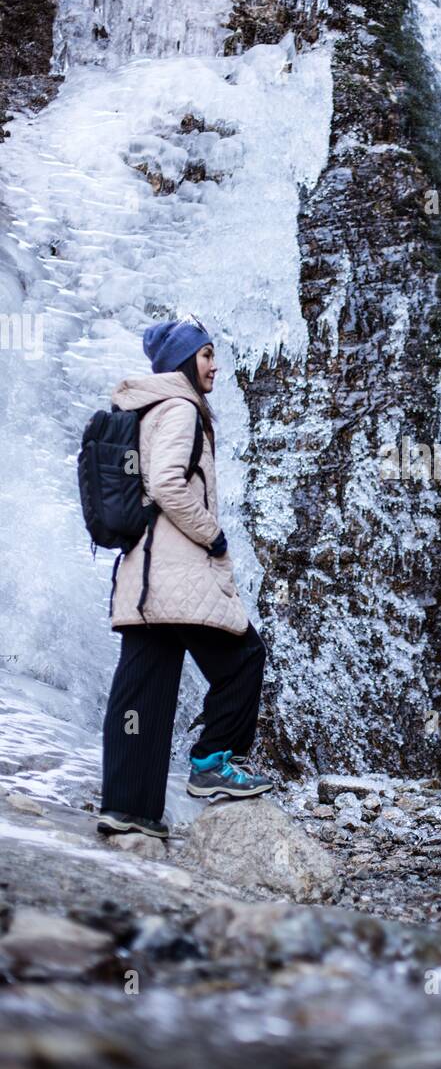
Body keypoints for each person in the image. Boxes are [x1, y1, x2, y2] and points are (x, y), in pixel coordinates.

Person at [98, 316, 272, 840]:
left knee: (141, 696)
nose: (214, 365)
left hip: (142, 577)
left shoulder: (144, 409)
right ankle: (213, 763)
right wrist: (212, 535)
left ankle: (128, 811)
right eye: (205, 356)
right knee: (244, 656)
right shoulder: (179, 408)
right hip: (176, 575)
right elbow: (168, 484)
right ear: (183, 362)